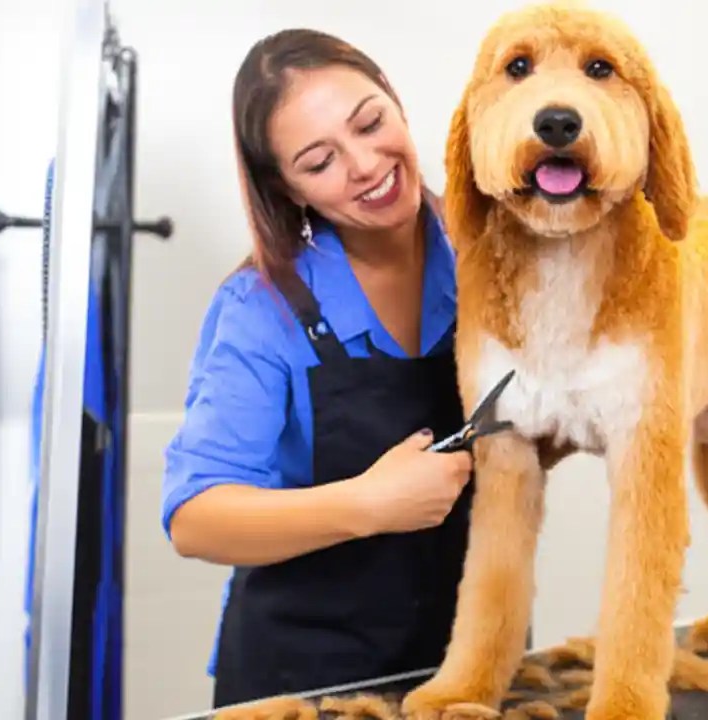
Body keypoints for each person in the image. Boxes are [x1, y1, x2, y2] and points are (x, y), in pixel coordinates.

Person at [160, 28, 475, 708]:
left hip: (463, 666)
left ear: (393, 99)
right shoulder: (262, 309)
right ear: (288, 188)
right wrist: (368, 505)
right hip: (301, 679)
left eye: (370, 122)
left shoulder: (489, 256)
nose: (364, 164)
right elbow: (195, 517)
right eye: (320, 161)